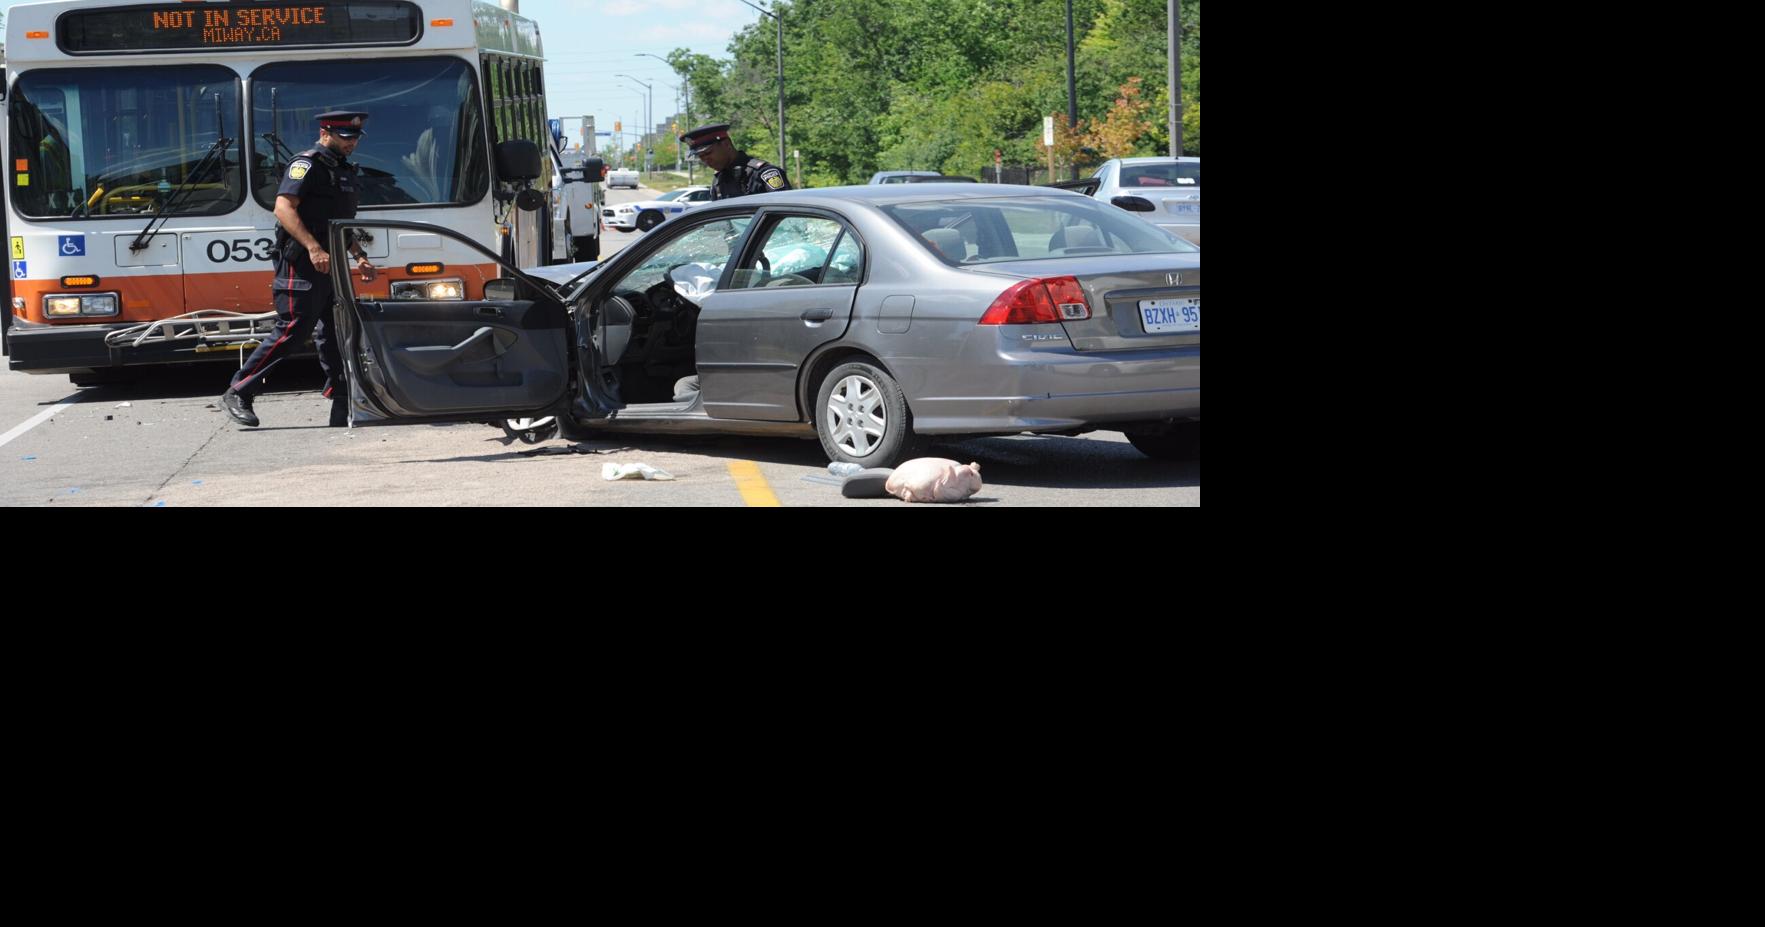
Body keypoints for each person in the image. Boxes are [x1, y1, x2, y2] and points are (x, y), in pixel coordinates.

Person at [220, 111, 376, 428]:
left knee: (337, 336)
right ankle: (239, 390)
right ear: (325, 133)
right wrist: (313, 247)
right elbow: (283, 208)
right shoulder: (306, 164)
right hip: (302, 265)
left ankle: (343, 402)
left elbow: (338, 222)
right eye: (346, 137)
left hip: (331, 265)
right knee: (293, 331)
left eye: (356, 137)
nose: (352, 143)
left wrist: (359, 255)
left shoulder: (343, 170)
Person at [679, 123, 791, 201]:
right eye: (700, 156)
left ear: (726, 145)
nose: (705, 160)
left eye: (708, 153)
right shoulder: (718, 180)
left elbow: (786, 216)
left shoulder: (764, 174)